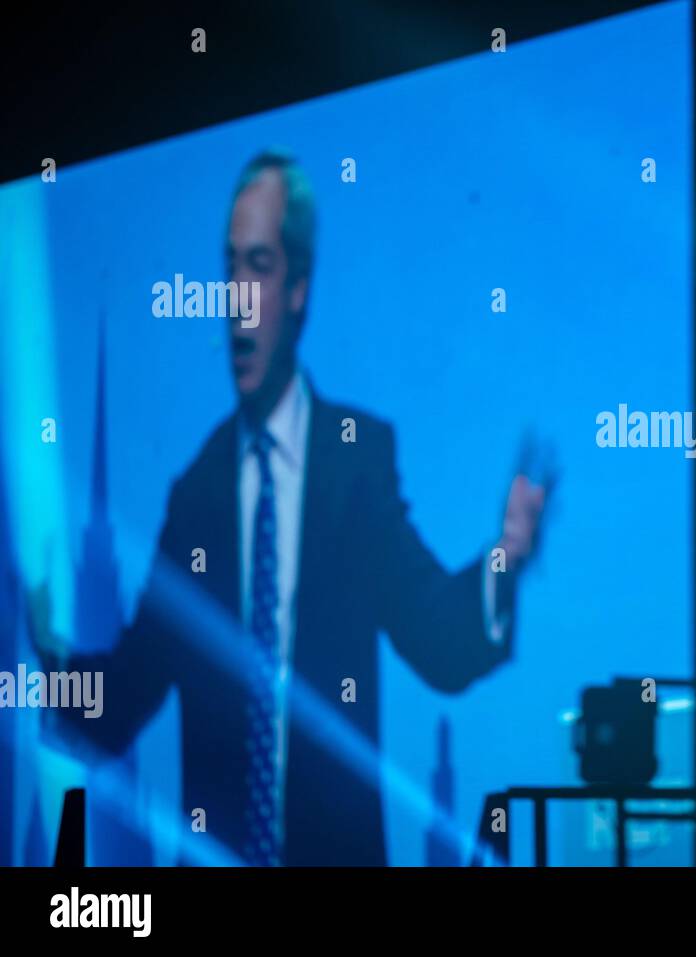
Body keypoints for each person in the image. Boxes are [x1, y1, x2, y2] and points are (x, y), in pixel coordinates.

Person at [30, 150, 547, 865]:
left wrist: (504, 557)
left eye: (261, 267)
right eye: (230, 265)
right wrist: (42, 654)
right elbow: (124, 694)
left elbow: (437, 637)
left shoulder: (356, 461)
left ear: (300, 287)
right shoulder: (196, 494)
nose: (237, 295)